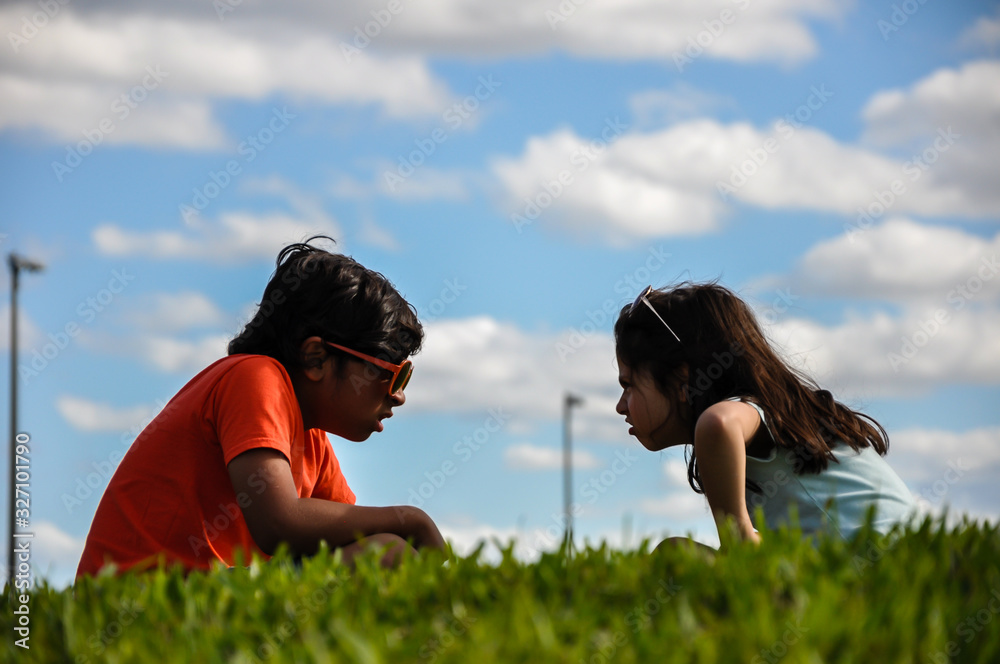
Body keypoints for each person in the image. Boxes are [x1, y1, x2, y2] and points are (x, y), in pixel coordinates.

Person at [76, 237, 444, 577]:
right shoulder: (254, 376)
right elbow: (279, 523)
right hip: (142, 606)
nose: (398, 395)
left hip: (204, 596)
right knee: (386, 554)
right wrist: (410, 520)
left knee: (388, 552)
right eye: (392, 374)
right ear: (316, 357)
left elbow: (340, 532)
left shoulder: (310, 436)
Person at [613, 282, 915, 546]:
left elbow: (718, 423)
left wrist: (738, 538)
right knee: (678, 553)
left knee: (674, 557)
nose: (620, 406)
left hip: (879, 569)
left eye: (628, 385)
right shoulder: (777, 415)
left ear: (682, 382)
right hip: (899, 560)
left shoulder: (746, 410)